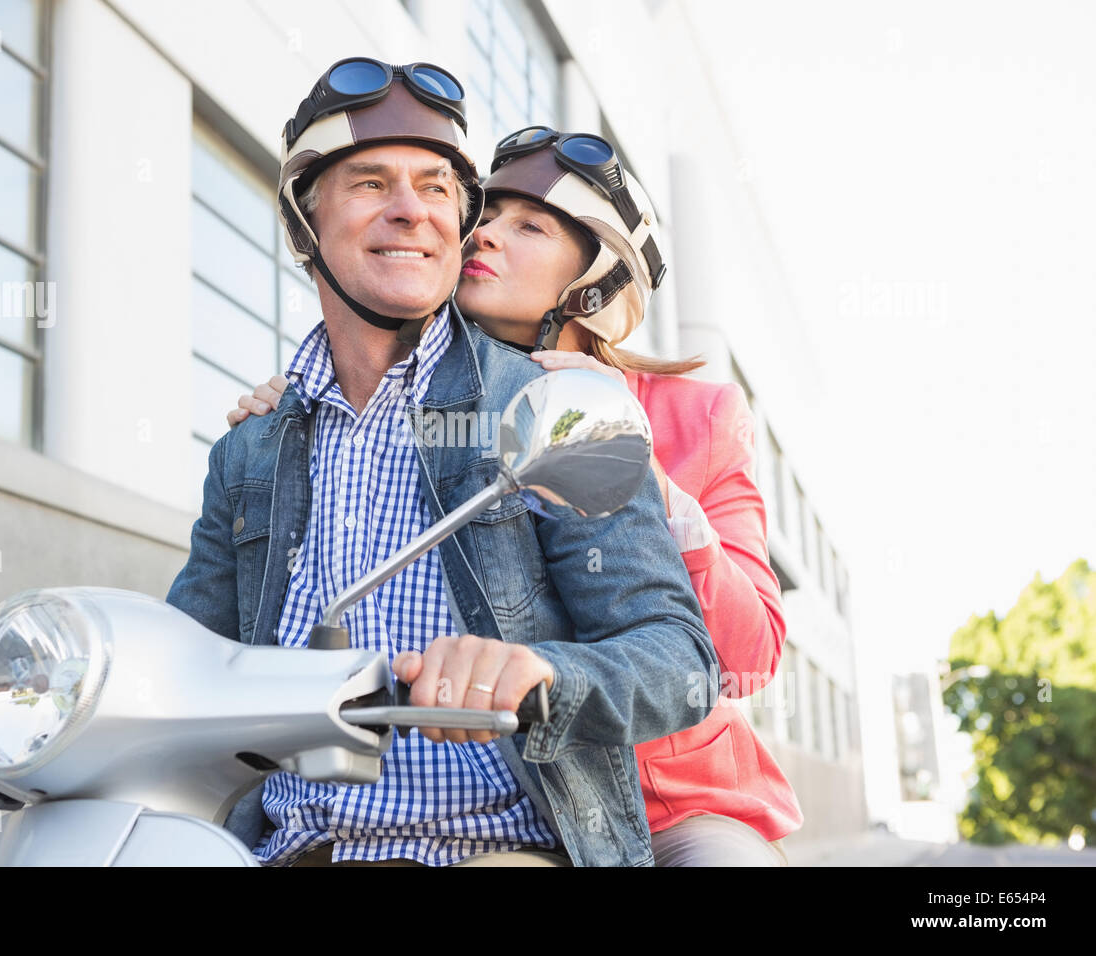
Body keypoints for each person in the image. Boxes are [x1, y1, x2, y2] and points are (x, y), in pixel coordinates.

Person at [0, 58, 717, 868]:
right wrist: (15, 727)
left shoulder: (543, 408)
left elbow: (680, 662)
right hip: (284, 850)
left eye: (436, 188)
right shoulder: (251, 447)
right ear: (304, 223)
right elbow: (176, 660)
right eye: (370, 184)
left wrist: (538, 673)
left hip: (496, 848)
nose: (412, 211)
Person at [230, 124, 803, 866]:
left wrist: (633, 463)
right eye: (486, 217)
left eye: (527, 226)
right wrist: (291, 411)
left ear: (593, 282)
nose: (485, 237)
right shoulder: (445, 398)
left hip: (676, 796)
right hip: (523, 788)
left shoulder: (700, 415)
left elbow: (747, 652)